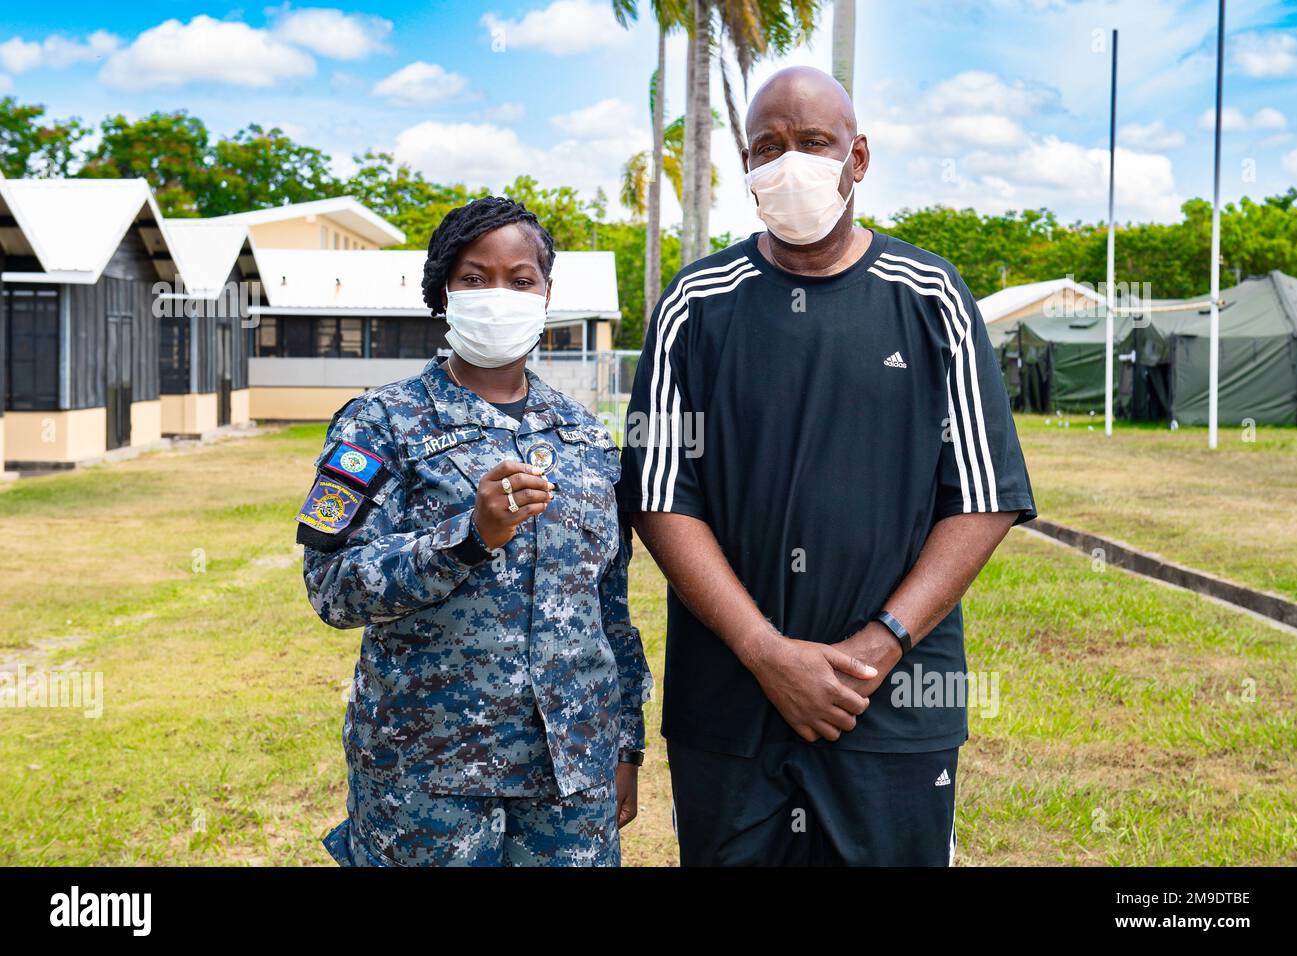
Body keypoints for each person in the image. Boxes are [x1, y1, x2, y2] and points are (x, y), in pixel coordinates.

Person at [617, 66, 1036, 866]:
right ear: (744, 167)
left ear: (860, 157)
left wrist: (878, 647)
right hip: (729, 703)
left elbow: (983, 497)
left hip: (891, 702)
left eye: (814, 143)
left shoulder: (931, 296)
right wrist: (766, 652)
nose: (791, 164)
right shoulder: (695, 303)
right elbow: (662, 497)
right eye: (766, 148)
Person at [300, 197, 652, 867]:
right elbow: (332, 588)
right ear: (442, 290)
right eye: (474, 277)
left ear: (547, 293)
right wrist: (466, 538)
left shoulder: (583, 436)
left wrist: (626, 745)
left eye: (521, 280)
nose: (500, 295)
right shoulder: (381, 424)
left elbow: (609, 608)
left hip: (568, 777)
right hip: (427, 777)